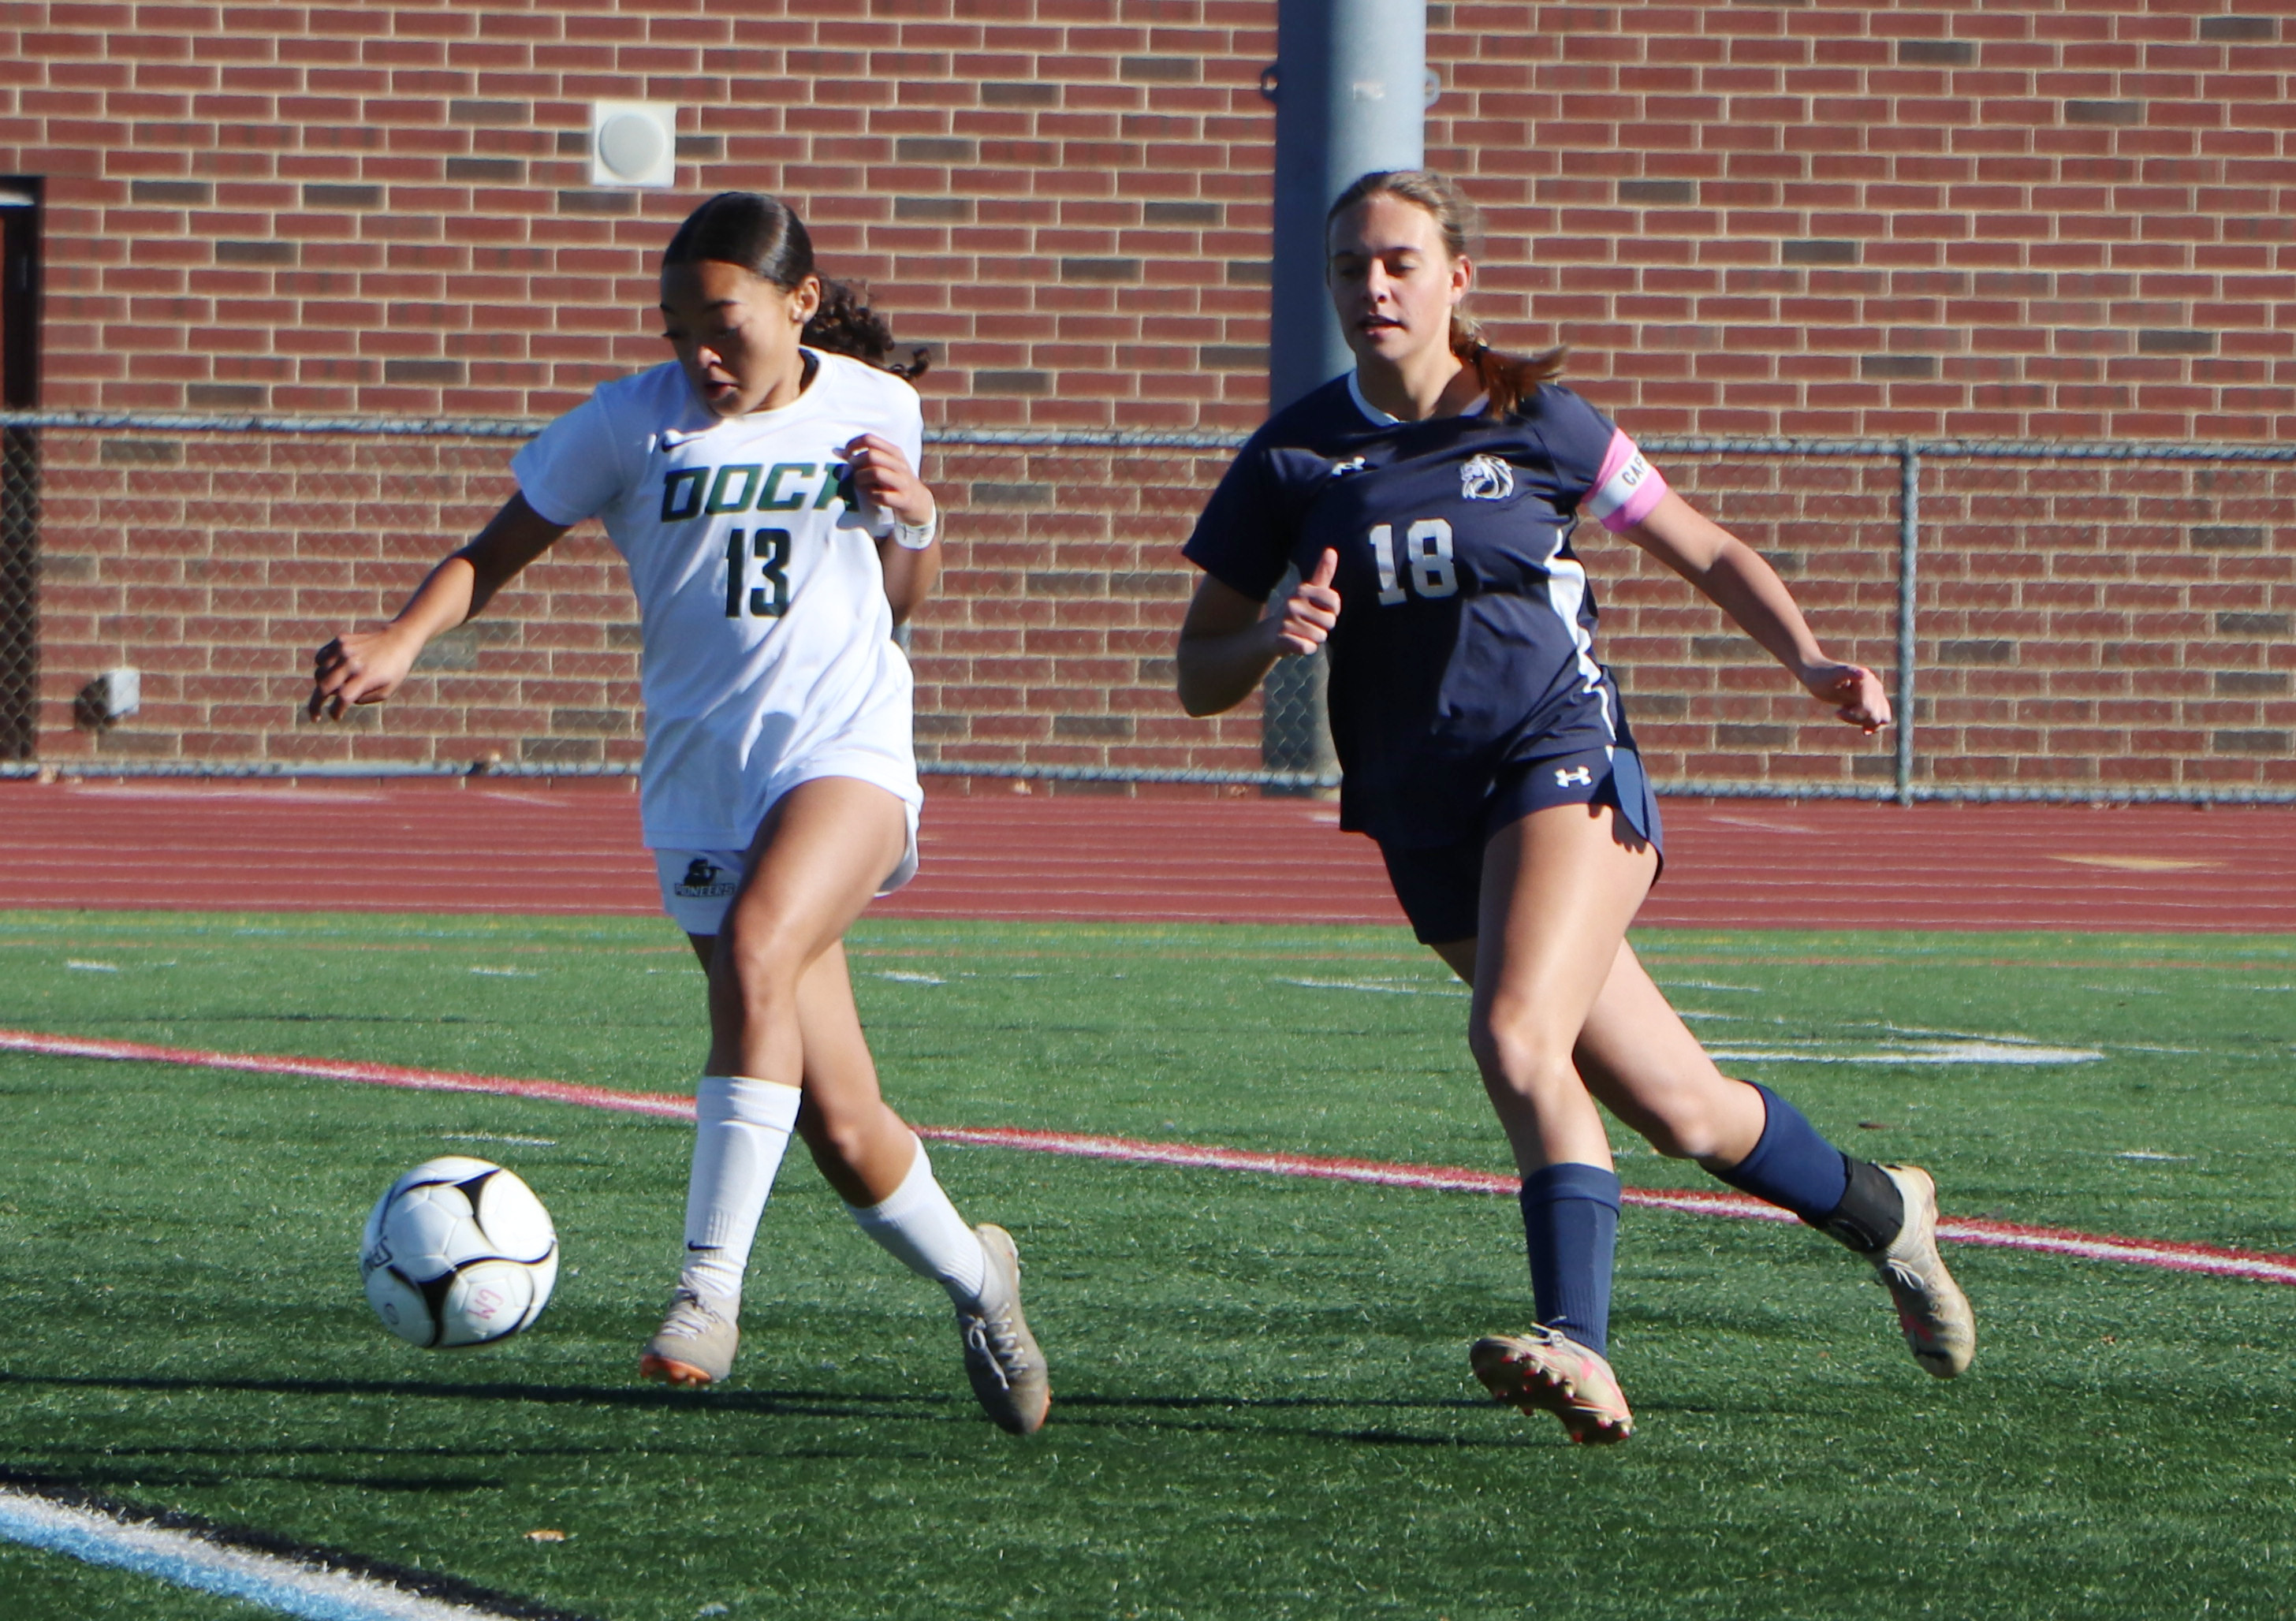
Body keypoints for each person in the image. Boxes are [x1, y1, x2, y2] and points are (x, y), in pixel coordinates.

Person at [1173, 170, 1973, 1445]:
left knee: (1513, 1038)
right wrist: (1269, 637)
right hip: (1418, 809)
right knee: (1684, 1111)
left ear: (1456, 279)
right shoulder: (1291, 457)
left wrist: (1810, 659)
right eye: (1348, 267)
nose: (1372, 287)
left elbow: (1704, 546)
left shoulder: (1532, 419)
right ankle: (1887, 1209)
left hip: (1559, 761)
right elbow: (1193, 673)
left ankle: (1579, 1344)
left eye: (1399, 262)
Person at [307, 191, 1049, 1436]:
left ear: (799, 305)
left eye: (724, 323)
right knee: (844, 1125)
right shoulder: (630, 424)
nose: (698, 353)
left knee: (761, 946)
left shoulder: (876, 405)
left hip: (844, 756)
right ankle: (984, 1283)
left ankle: (707, 1290)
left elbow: (900, 593)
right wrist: (402, 637)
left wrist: (919, 513)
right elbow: (496, 548)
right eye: (675, 329)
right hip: (703, 786)